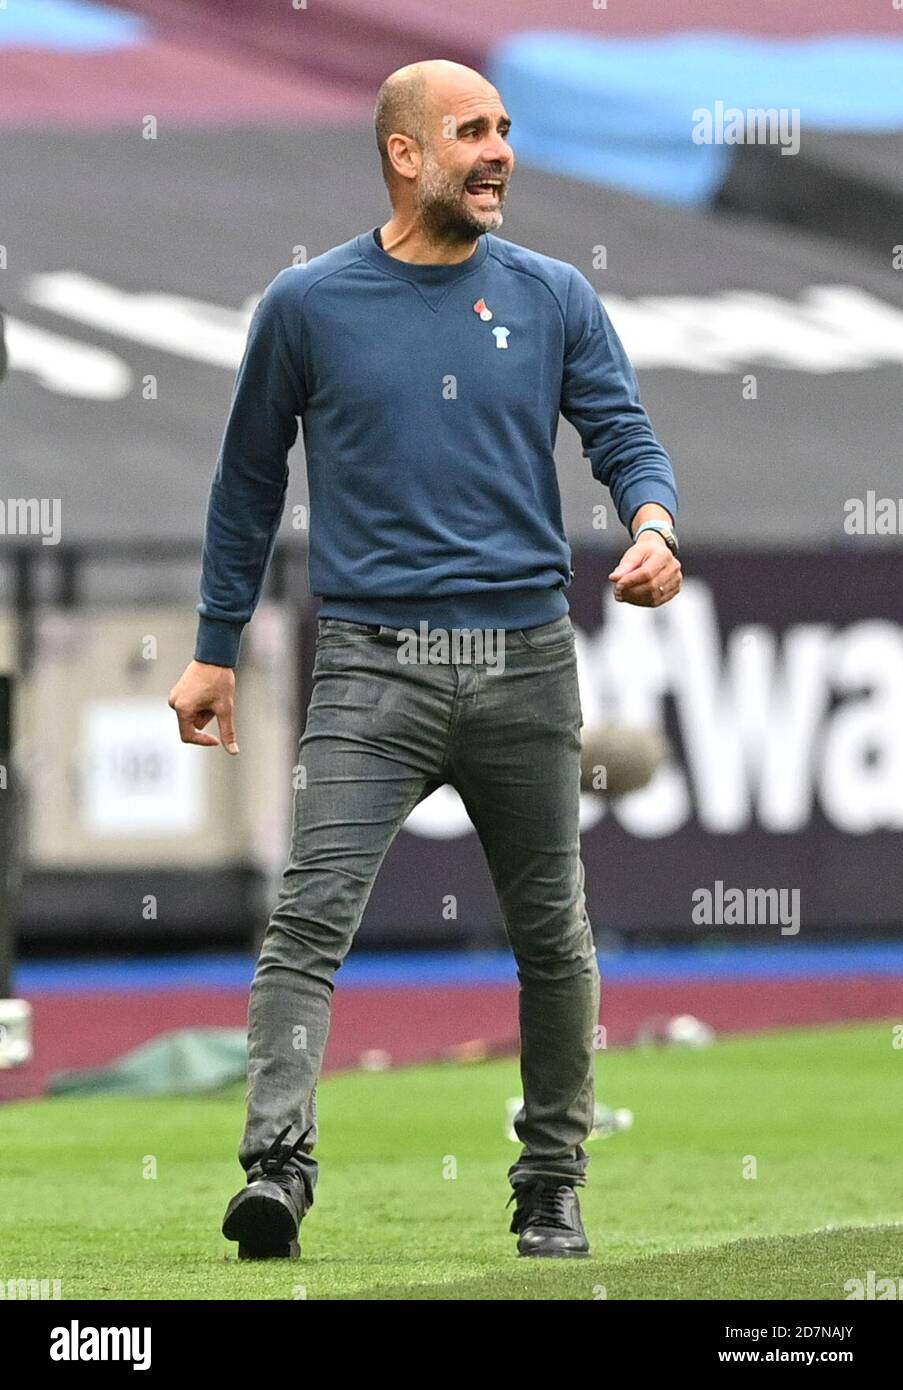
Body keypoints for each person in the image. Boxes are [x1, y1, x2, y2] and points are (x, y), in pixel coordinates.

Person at [168, 59, 681, 1261]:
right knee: (307, 924)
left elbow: (624, 435)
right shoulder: (305, 306)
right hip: (369, 665)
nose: (499, 151)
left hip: (527, 660)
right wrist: (210, 651)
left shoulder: (554, 296)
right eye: (471, 132)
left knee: (554, 937)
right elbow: (246, 484)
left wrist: (653, 523)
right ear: (406, 154)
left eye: (505, 129)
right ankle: (275, 1174)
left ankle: (551, 1183)